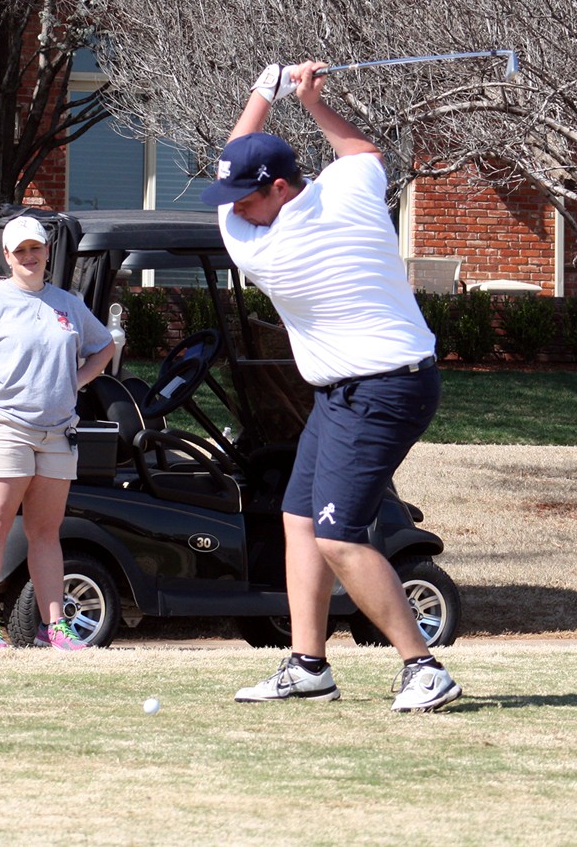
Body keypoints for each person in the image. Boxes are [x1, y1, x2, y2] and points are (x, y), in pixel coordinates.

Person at [202, 59, 460, 713]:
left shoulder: (258, 248)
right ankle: (308, 663)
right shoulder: (351, 189)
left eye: (245, 197)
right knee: (298, 519)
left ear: (281, 188)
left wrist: (263, 92)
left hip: (381, 390)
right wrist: (314, 102)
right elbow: (361, 150)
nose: (233, 208)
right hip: (356, 389)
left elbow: (230, 165)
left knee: (340, 535)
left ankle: (423, 667)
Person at [0, 215, 115, 651]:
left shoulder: (67, 303)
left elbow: (104, 345)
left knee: (47, 532)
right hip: (2, 426)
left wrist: (77, 381)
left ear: (47, 252)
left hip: (57, 432)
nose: (30, 257)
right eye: (20, 250)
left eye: (36, 249)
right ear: (7, 256)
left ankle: (55, 626)